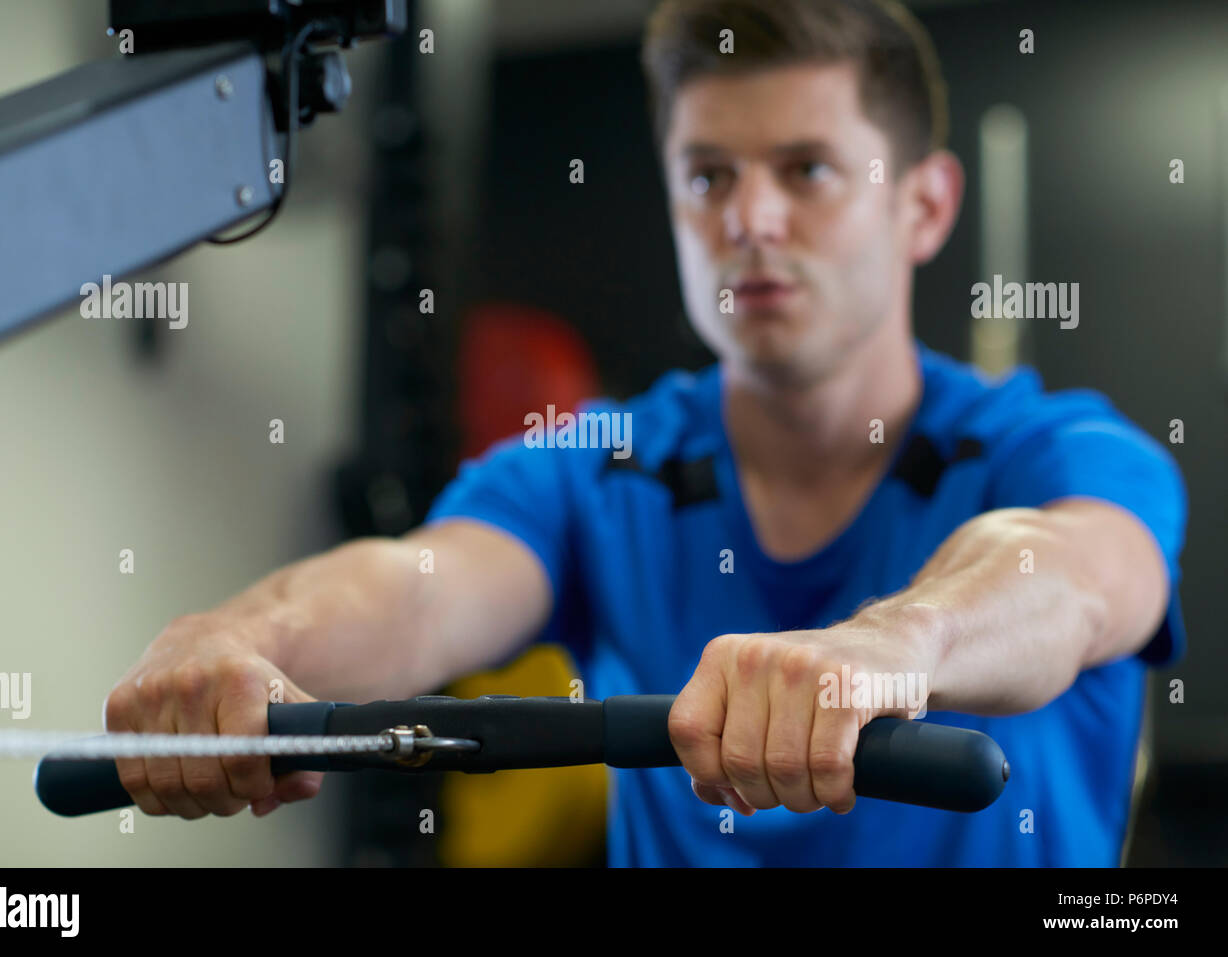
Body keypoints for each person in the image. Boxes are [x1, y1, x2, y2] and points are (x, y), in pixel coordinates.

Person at [104, 0, 1186, 866]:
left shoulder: (1053, 452)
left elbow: (1073, 576)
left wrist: (891, 647)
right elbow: (420, 583)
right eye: (708, 176)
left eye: (806, 170)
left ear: (924, 207)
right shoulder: (596, 464)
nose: (748, 221)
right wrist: (244, 644)